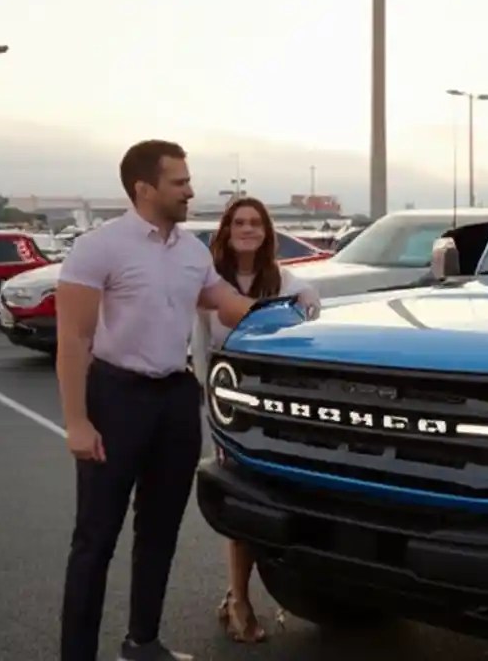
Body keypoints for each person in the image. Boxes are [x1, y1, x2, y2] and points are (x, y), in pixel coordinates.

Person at [55, 140, 312, 661]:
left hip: (174, 397)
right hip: (116, 395)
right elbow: (73, 341)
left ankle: (142, 643)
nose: (191, 190)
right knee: (96, 538)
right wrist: (77, 421)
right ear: (144, 188)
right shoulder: (99, 248)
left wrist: (289, 315)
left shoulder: (192, 252)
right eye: (180, 182)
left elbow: (227, 304)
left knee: (159, 531)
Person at [191, 197, 319, 643]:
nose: (247, 229)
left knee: (280, 502)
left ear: (267, 232)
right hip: (231, 410)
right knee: (241, 508)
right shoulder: (209, 282)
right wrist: (213, 410)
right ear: (226, 231)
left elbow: (311, 312)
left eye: (256, 223)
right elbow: (201, 348)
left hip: (277, 414)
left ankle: (287, 593)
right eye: (239, 222)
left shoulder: (283, 279)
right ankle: (239, 600)